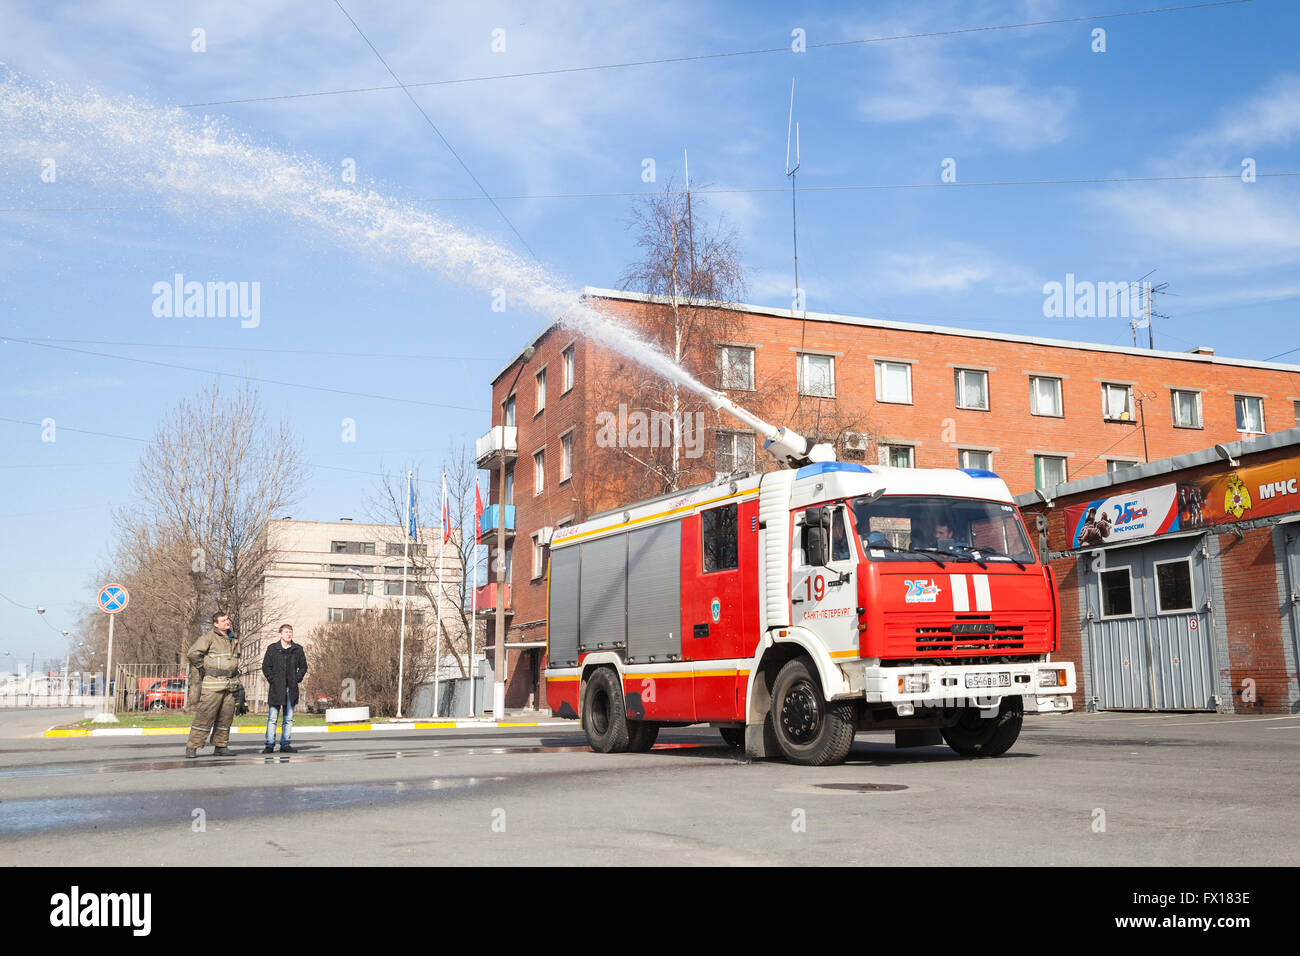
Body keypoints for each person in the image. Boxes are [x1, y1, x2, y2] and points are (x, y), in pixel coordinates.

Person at [185, 611, 242, 758]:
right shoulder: (209, 637)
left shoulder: (233, 638)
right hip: (213, 685)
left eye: (227, 619)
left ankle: (221, 746)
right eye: (223, 620)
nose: (227, 622)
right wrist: (203, 667)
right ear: (216, 624)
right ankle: (193, 746)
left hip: (230, 684)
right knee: (205, 715)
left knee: (226, 717)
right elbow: (193, 653)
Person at [262, 624, 308, 754]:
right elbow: (266, 667)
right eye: (286, 632)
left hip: (291, 688)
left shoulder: (297, 649)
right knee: (272, 718)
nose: (289, 634)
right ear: (280, 634)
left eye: (291, 632)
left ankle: (285, 744)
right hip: (276, 689)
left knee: (288, 718)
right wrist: (273, 679)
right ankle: (269, 744)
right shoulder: (272, 649)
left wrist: (297, 678)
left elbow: (303, 667)